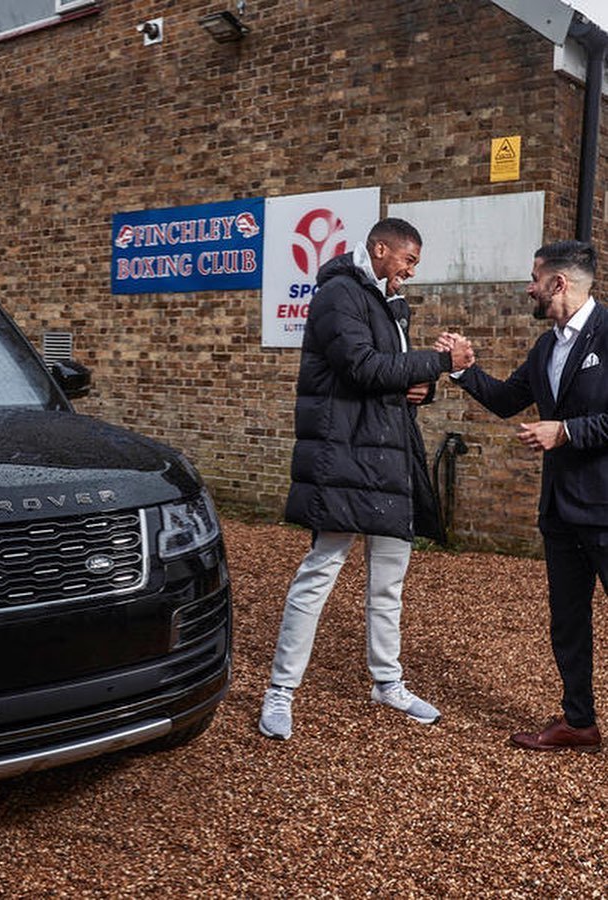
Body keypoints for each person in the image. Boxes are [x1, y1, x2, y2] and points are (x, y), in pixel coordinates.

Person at [259, 217, 475, 740]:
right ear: (380, 249)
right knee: (320, 572)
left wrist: (426, 387)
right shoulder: (339, 294)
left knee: (389, 581)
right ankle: (280, 691)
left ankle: (388, 682)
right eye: (408, 260)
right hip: (345, 457)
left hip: (389, 456)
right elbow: (361, 368)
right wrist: (439, 361)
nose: (411, 272)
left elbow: (393, 378)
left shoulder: (390, 301)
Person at [441, 240, 608, 752]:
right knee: (568, 622)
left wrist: (568, 431)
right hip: (559, 511)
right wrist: (464, 369)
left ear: (559, 283)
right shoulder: (545, 348)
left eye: (535, 278)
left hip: (605, 509)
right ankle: (578, 723)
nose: (528, 288)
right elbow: (507, 400)